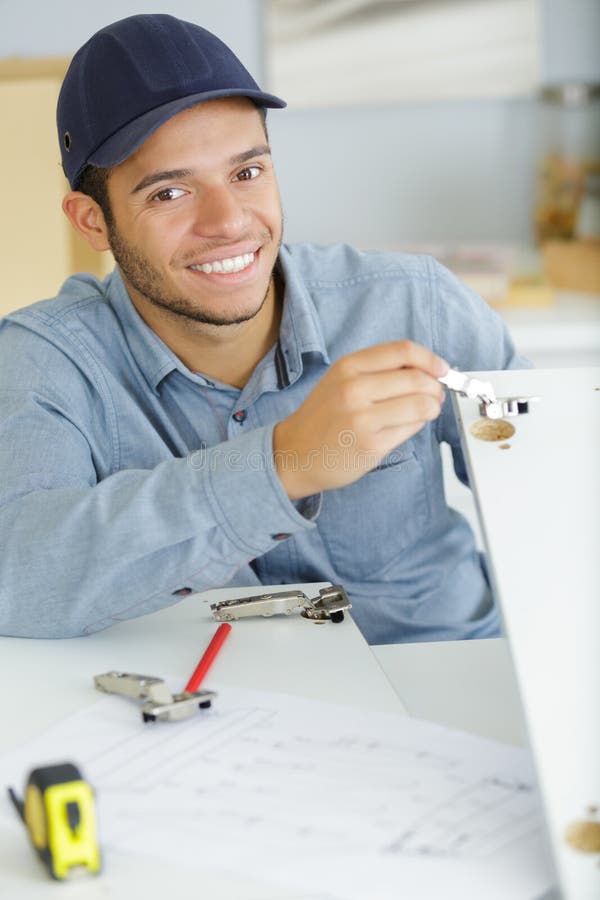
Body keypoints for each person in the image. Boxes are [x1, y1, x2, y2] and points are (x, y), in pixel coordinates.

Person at [0, 14, 527, 643]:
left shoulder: (416, 305)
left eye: (247, 173)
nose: (228, 222)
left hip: (449, 686)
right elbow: (17, 579)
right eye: (169, 193)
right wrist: (283, 465)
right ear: (92, 222)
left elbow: (564, 491)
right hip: (213, 719)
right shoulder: (45, 361)